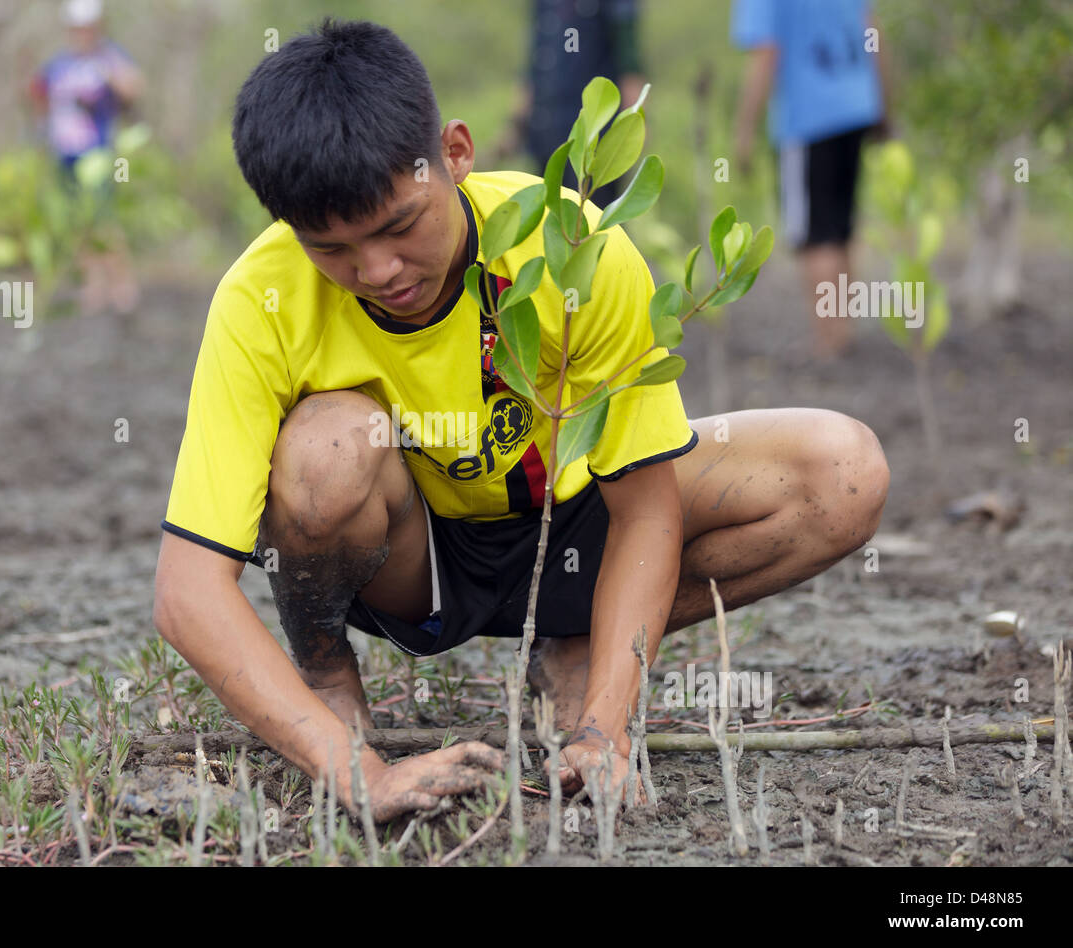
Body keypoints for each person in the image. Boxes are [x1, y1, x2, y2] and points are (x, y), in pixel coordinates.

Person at [153, 19, 890, 821]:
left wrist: (605, 728)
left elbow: (645, 511)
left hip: (574, 522)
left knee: (842, 470)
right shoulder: (257, 300)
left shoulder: (572, 247)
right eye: (333, 249)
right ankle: (327, 675)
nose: (378, 272)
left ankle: (579, 647)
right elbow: (188, 591)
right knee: (324, 449)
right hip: (415, 557)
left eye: (400, 226)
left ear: (456, 153)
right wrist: (359, 771)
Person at [732, 0, 890, 360]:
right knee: (840, 229)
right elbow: (873, 32)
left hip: (807, 119)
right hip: (857, 105)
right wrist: (883, 104)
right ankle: (843, 333)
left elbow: (766, 54)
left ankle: (828, 343)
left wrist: (744, 131)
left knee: (815, 237)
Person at [28, 0, 143, 314]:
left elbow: (133, 90)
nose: (82, 34)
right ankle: (92, 292)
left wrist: (108, 71)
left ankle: (123, 291)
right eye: (77, 28)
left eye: (88, 28)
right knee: (78, 226)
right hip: (65, 156)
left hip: (98, 157)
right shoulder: (59, 64)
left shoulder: (110, 57)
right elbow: (39, 94)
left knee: (104, 223)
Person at [502, 0, 647, 208]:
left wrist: (637, 124)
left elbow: (629, 60)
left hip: (593, 138)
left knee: (593, 220)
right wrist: (516, 124)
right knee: (548, 216)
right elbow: (535, 59)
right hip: (546, 130)